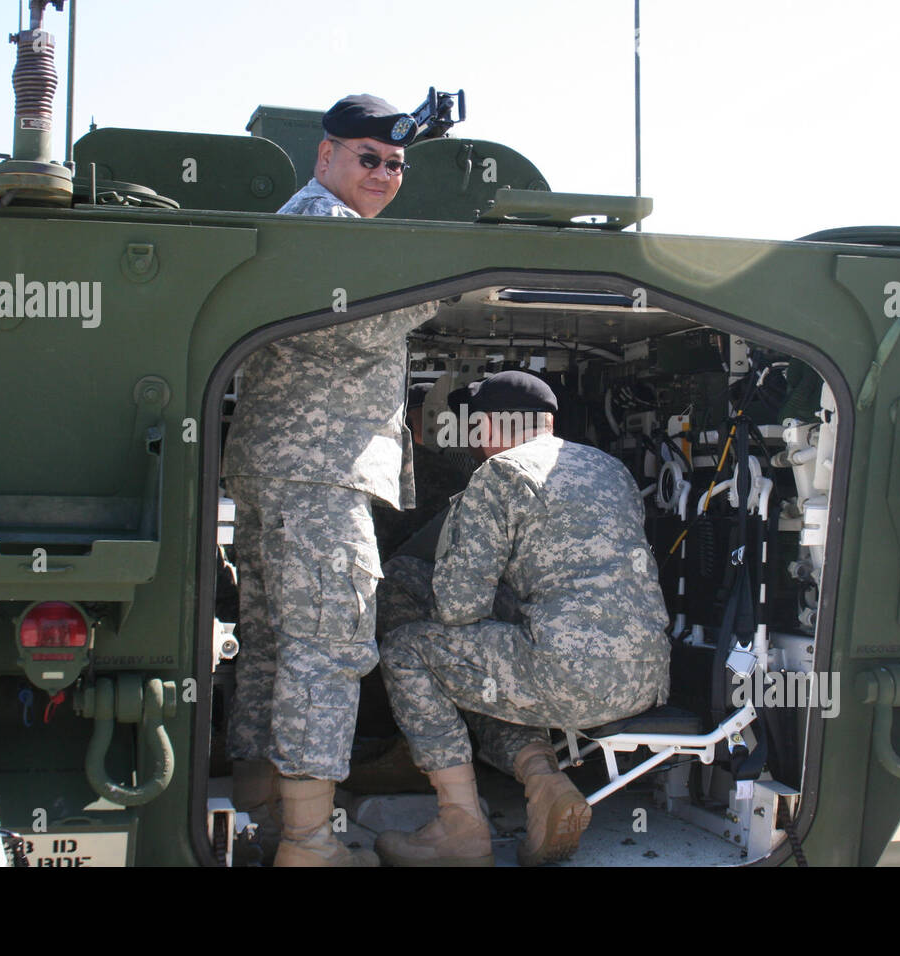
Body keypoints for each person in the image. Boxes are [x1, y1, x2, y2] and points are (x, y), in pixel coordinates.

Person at [220, 93, 434, 867]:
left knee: (275, 651)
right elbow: (380, 316)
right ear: (326, 155)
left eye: (397, 165)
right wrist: (471, 268)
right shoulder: (326, 230)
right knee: (329, 652)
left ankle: (266, 822)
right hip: (319, 482)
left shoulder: (308, 222)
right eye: (368, 158)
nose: (383, 175)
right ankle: (309, 846)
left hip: (278, 476)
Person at [374, 371, 671, 866]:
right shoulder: (610, 468)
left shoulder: (500, 474)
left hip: (562, 675)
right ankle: (542, 779)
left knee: (410, 652)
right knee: (490, 663)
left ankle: (460, 828)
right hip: (644, 679)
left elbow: (458, 607)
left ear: (489, 426)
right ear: (550, 422)